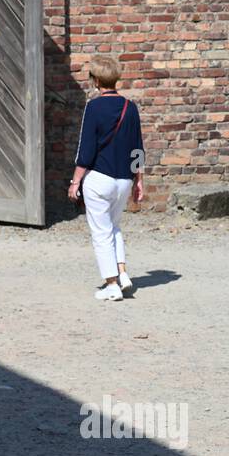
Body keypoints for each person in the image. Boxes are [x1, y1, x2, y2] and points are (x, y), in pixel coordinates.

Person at [67, 55, 144, 301]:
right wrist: (139, 180)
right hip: (124, 180)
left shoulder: (93, 107)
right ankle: (122, 273)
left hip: (99, 179)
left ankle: (111, 285)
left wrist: (75, 181)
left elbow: (86, 149)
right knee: (114, 226)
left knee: (101, 232)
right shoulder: (130, 107)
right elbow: (137, 148)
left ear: (96, 80)